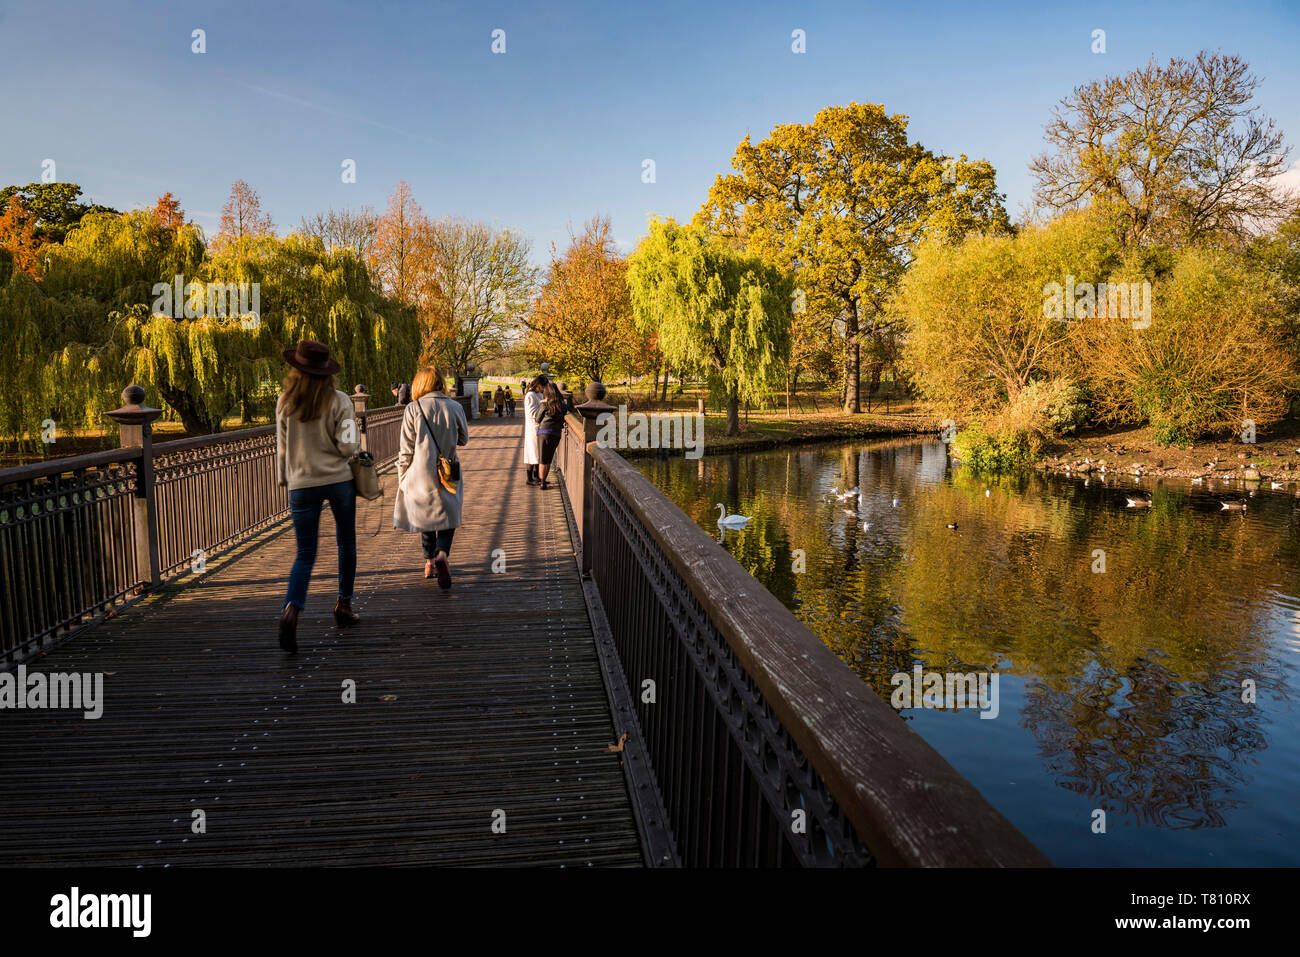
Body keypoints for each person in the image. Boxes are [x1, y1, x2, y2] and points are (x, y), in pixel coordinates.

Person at [275, 340, 361, 654]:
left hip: (301, 483)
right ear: (327, 371)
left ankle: (291, 610)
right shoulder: (341, 400)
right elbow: (350, 446)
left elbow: (282, 448)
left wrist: (286, 480)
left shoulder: (284, 401)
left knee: (305, 554)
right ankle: (344, 606)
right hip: (338, 480)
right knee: (346, 542)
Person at [393, 365, 469, 589]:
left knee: (425, 515)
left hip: (420, 471)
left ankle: (428, 563)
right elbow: (463, 439)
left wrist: (402, 477)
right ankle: (442, 553)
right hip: (448, 470)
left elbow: (405, 449)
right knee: (448, 513)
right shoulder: (454, 406)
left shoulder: (413, 409)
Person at [534, 381, 567, 490]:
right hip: (556, 433)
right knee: (549, 458)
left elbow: (537, 419)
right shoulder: (562, 405)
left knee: (542, 459)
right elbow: (564, 416)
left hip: (544, 432)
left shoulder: (544, 403)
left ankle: (542, 482)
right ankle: (544, 480)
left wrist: (542, 404)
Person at [522, 374, 546, 486]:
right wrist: (543, 406)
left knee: (538, 453)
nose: (544, 389)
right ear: (538, 385)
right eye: (543, 386)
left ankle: (537, 477)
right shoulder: (530, 395)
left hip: (539, 426)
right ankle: (529, 478)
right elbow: (532, 414)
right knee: (532, 452)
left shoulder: (539, 394)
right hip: (533, 427)